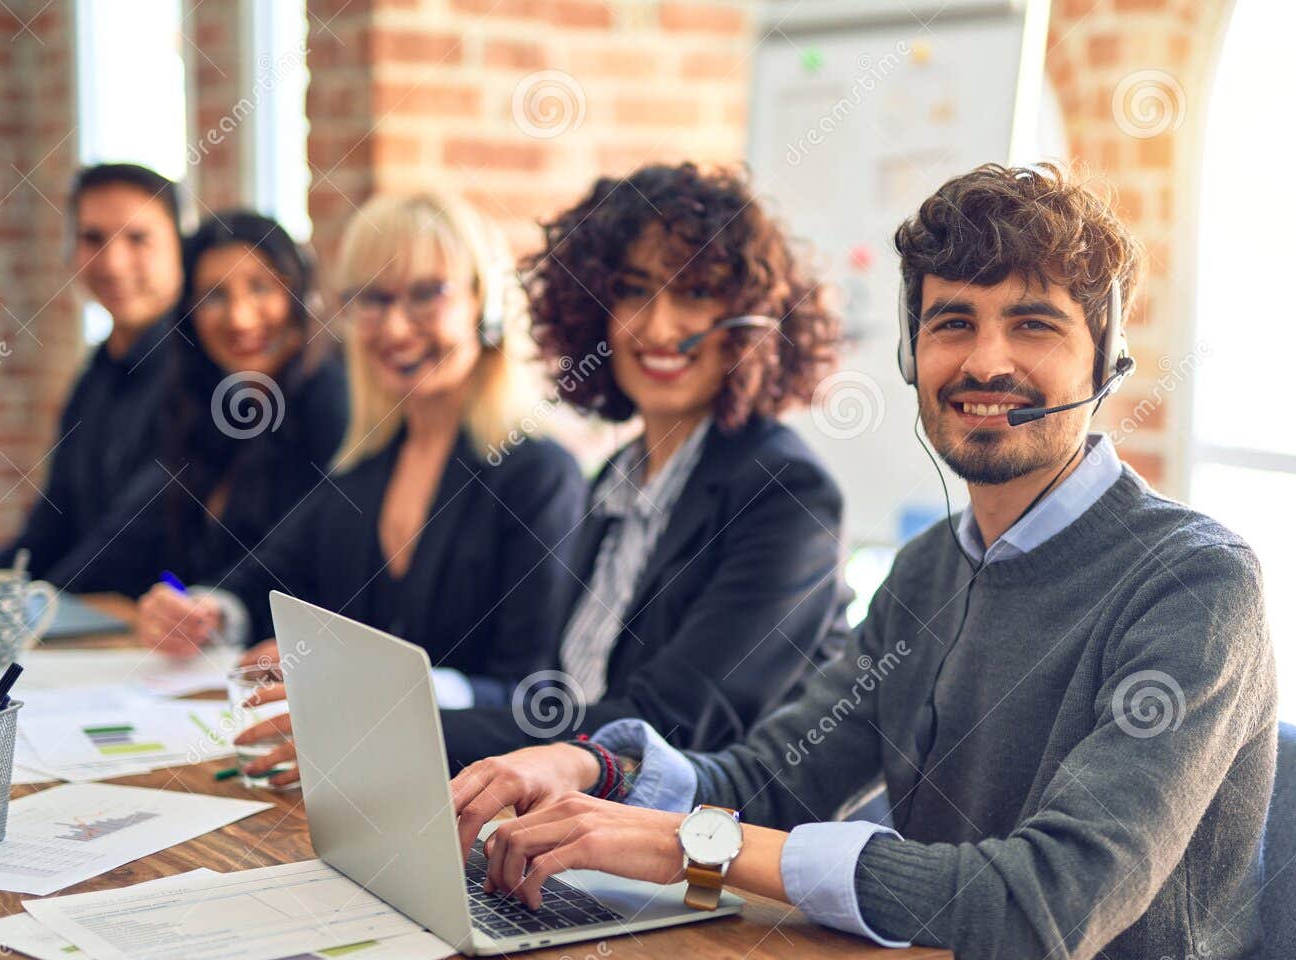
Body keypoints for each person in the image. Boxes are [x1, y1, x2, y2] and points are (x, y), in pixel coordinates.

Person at [451, 163, 1280, 960]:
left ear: (1105, 360)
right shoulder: (930, 570)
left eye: (1034, 323)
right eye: (951, 322)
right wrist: (598, 766)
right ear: (910, 355)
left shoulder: (1196, 585)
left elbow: (1045, 910)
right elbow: (778, 777)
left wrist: (698, 847)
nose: (985, 361)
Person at [435, 161, 848, 770]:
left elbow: (669, 723)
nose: (657, 327)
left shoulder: (786, 494)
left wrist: (421, 734)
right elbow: (562, 700)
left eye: (695, 293)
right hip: (582, 825)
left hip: (710, 847)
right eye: (633, 290)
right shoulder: (617, 478)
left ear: (749, 318)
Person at [136, 192, 585, 749]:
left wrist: (373, 685)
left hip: (482, 801)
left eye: (426, 295)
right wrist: (207, 613)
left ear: (483, 304)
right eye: (371, 301)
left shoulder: (537, 474)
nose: (394, 329)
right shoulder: (365, 466)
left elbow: (534, 694)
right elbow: (264, 581)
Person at [44, 211, 348, 596]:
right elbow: (126, 539)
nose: (239, 319)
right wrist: (46, 602)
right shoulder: (211, 411)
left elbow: (299, 570)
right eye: (214, 297)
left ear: (299, 295)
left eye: (261, 288)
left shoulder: (331, 401)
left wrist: (204, 610)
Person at [0, 163, 184, 576]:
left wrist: (39, 605)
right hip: (80, 616)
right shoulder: (95, 375)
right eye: (93, 239)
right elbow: (49, 530)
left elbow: (130, 543)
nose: (113, 264)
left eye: (138, 238)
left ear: (181, 247)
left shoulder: (197, 377)